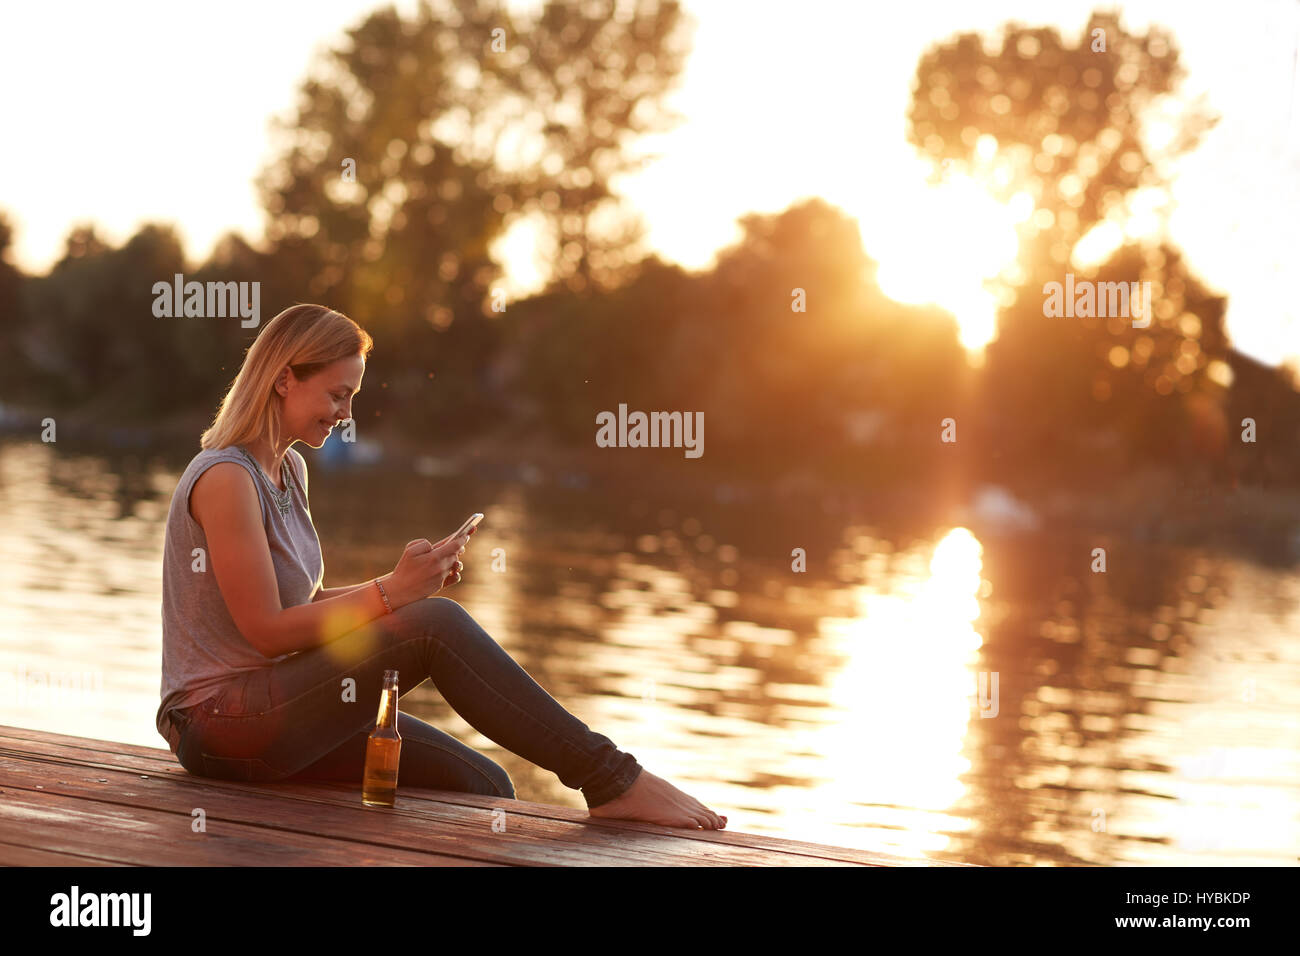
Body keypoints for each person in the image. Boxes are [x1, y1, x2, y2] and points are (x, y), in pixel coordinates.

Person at [155, 303, 726, 830]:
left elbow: (304, 604)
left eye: (351, 395)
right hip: (216, 724)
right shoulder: (227, 477)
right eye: (336, 394)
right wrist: (392, 594)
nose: (346, 412)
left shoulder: (288, 472)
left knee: (483, 781)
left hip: (272, 712)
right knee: (436, 625)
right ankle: (612, 779)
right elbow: (266, 629)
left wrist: (400, 587)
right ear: (284, 378)